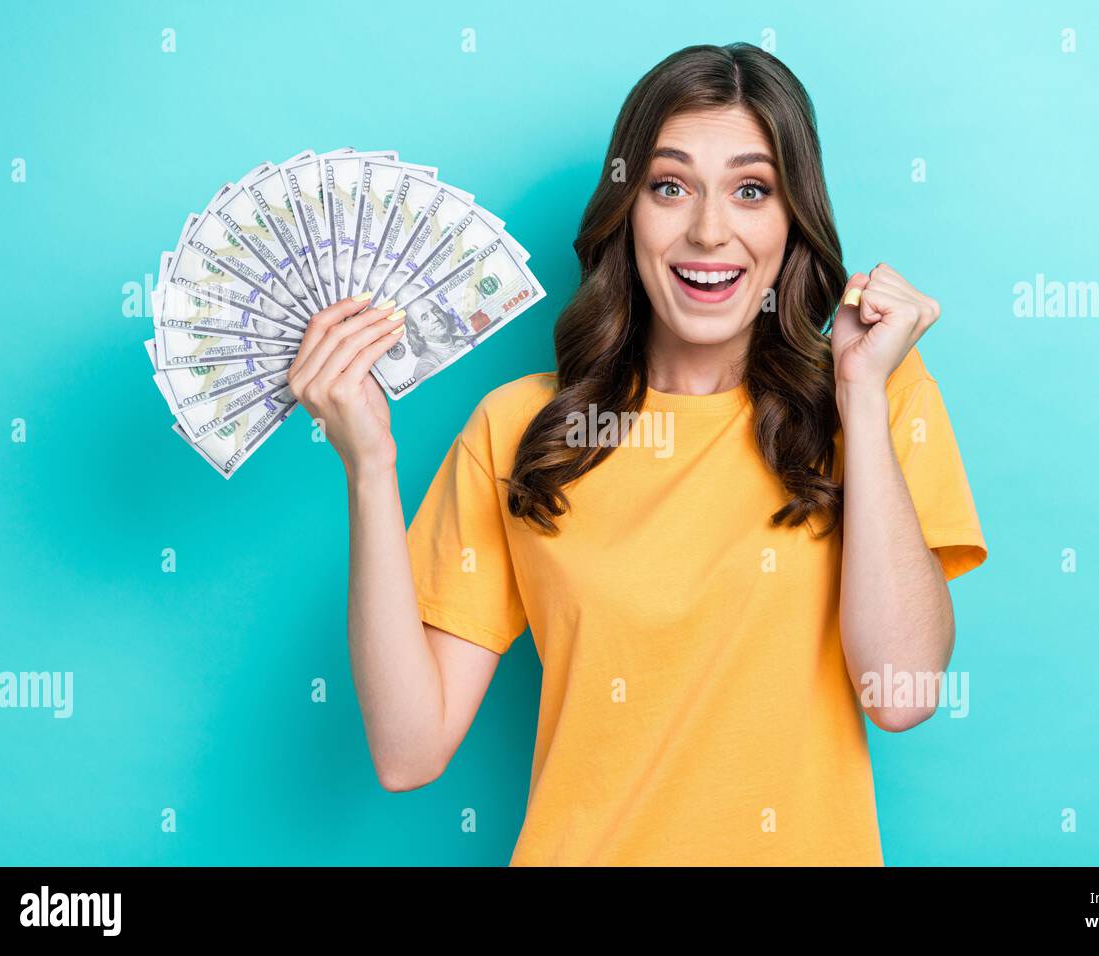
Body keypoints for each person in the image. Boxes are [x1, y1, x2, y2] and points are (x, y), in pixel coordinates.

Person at [286, 42, 988, 866]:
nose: (709, 229)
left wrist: (860, 396)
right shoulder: (521, 430)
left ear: (794, 216)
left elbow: (899, 693)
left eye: (752, 190)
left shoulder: (878, 399)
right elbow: (409, 752)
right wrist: (368, 469)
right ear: (629, 210)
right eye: (670, 185)